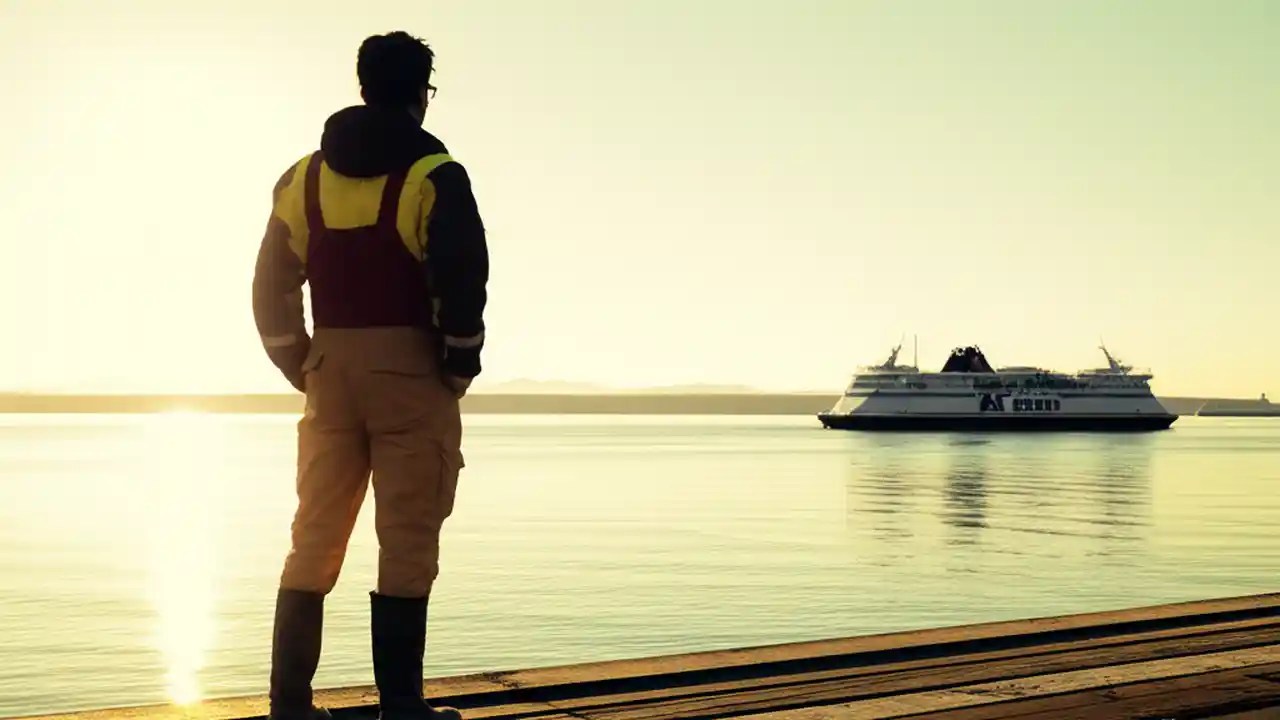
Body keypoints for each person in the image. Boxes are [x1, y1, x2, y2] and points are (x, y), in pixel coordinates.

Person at [251, 30, 488, 720]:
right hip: (410, 372)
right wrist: (457, 362)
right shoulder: (434, 175)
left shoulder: (303, 178)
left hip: (329, 370)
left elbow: (270, 285)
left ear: (363, 87)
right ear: (420, 93)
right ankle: (403, 709)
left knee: (314, 536)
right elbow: (463, 280)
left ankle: (290, 706)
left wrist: (301, 362)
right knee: (408, 537)